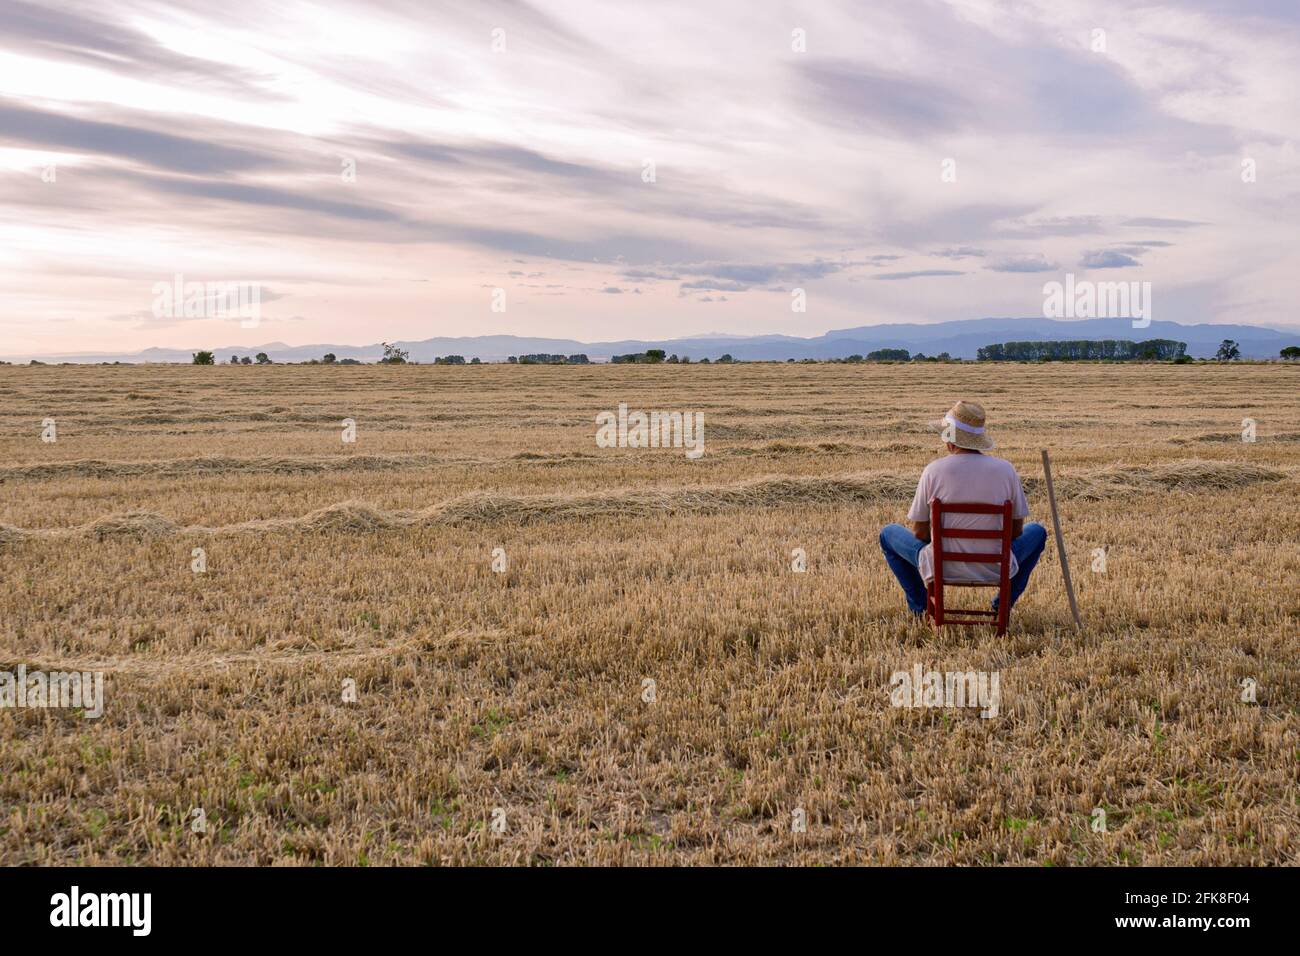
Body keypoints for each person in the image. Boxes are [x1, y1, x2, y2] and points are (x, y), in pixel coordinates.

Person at [879, 400, 1046, 617]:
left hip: (941, 566)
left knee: (888, 534)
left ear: (949, 439)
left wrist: (947, 542)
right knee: (1038, 532)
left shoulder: (933, 471)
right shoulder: (1006, 471)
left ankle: (921, 607)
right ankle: (1003, 604)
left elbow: (919, 533)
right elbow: (1016, 532)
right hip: (996, 567)